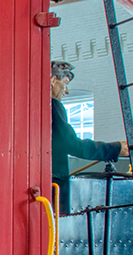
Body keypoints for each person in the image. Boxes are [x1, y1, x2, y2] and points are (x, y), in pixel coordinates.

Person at [51, 60, 128, 213]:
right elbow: (71, 144)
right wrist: (115, 149)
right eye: (65, 84)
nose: (66, 91)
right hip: (53, 184)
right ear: (53, 80)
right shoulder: (52, 104)